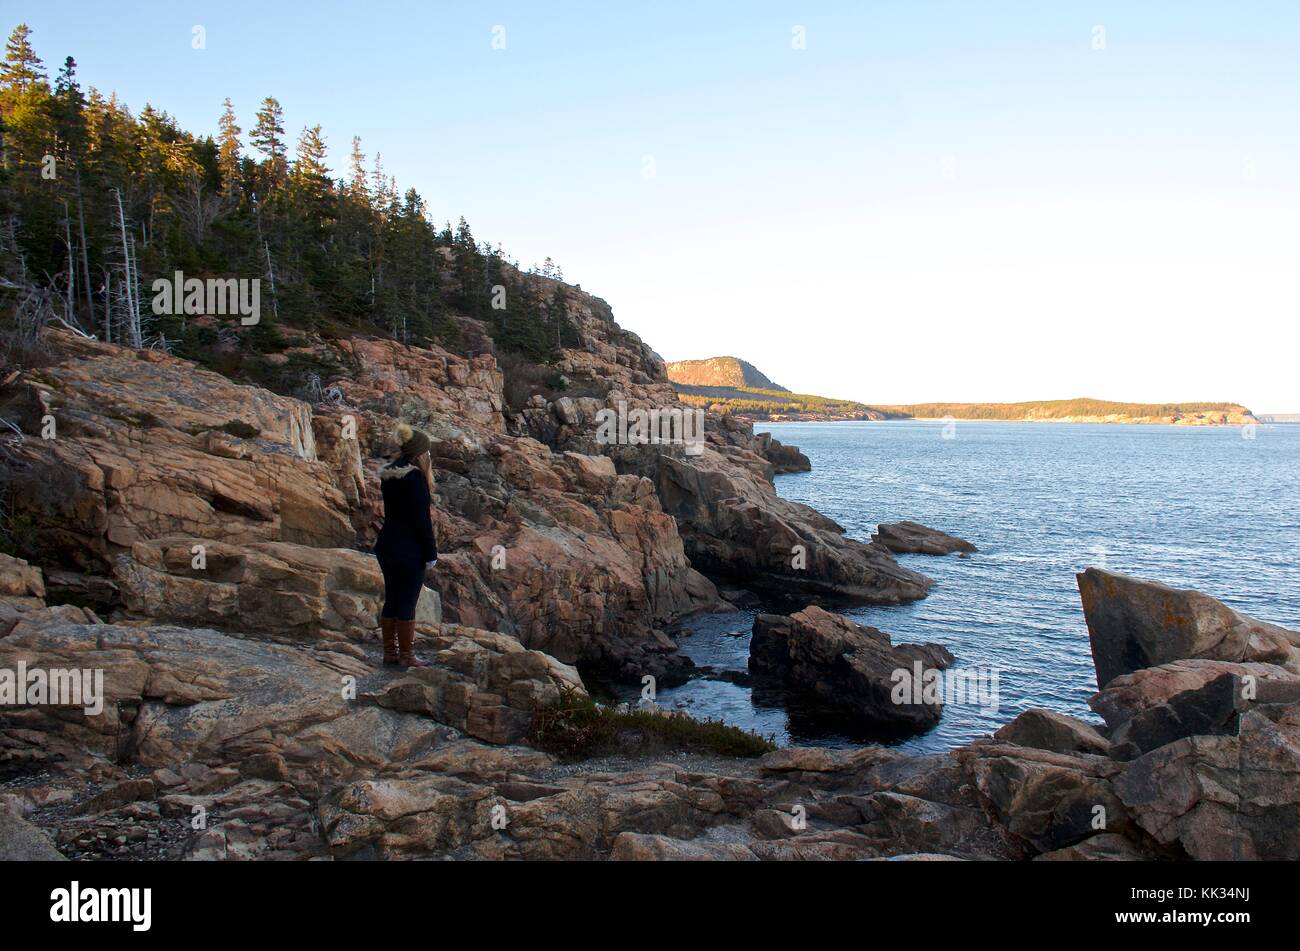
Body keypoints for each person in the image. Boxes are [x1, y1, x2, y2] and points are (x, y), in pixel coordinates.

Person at [375, 423, 437, 667]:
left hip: (387, 544)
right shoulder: (416, 479)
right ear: (419, 453)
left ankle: (390, 653)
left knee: (392, 598)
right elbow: (422, 521)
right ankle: (407, 656)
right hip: (409, 549)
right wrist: (431, 553)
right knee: (407, 602)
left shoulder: (389, 474)